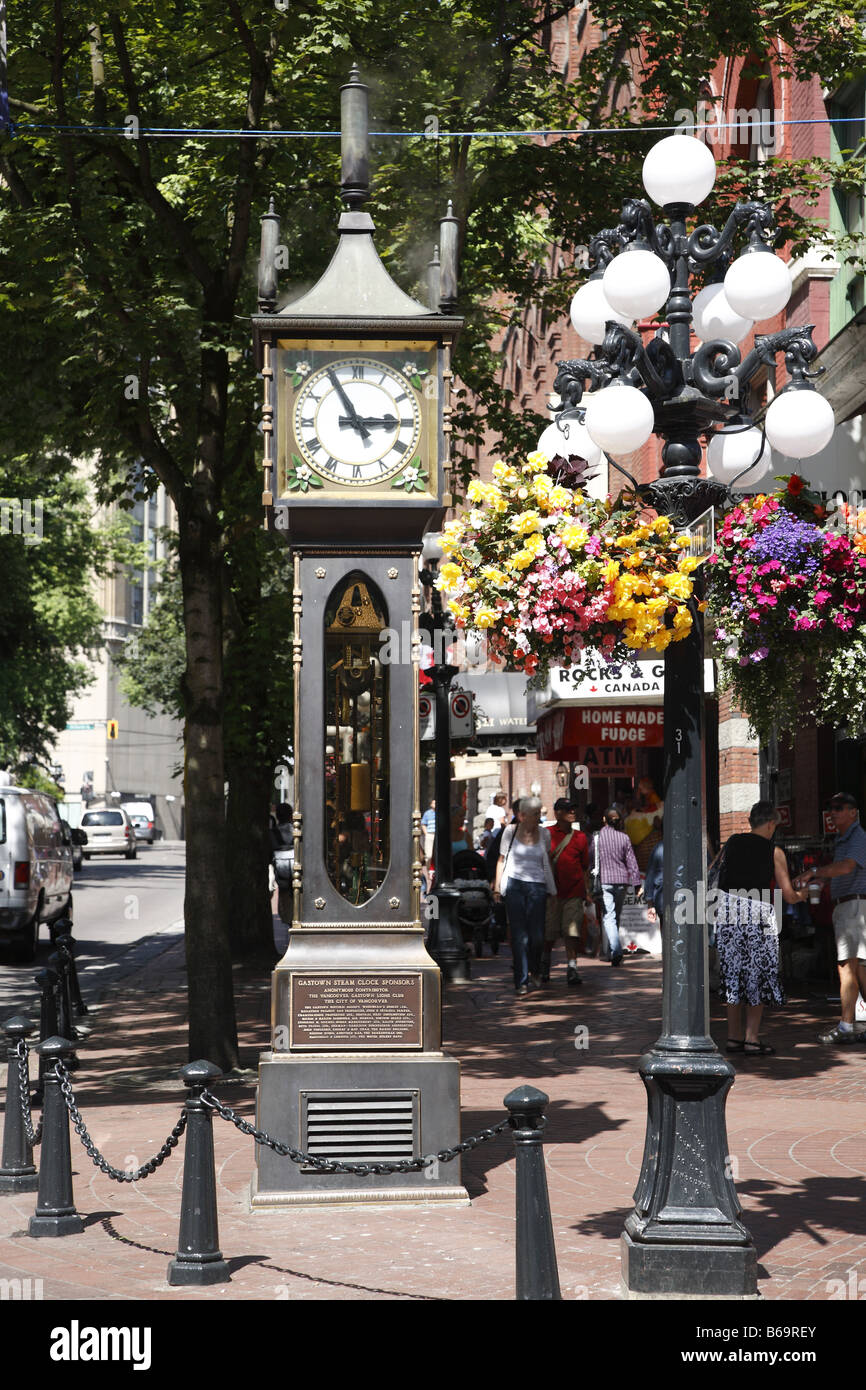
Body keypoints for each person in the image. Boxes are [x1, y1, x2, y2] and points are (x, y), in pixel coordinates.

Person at [715, 800, 805, 1055]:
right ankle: (752, 1038)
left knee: (733, 974)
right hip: (757, 913)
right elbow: (788, 895)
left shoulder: (732, 843)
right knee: (756, 974)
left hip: (729, 910)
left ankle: (733, 1037)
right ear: (770, 824)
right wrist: (803, 895)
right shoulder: (774, 852)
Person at [794, 792, 866, 1046]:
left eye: (839, 808)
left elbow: (847, 867)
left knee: (846, 966)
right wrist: (819, 881)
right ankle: (849, 1025)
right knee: (858, 969)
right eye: (830, 808)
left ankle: (846, 1026)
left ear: (853, 812)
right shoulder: (842, 839)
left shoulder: (857, 837)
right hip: (847, 907)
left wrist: (815, 870)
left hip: (854, 907)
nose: (833, 812)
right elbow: (841, 871)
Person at [494, 796, 556, 997]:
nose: (539, 817)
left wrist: (551, 888)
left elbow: (547, 861)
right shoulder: (510, 832)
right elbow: (501, 860)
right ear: (522, 816)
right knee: (520, 936)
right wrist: (496, 888)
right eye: (535, 814)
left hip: (537, 886)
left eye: (539, 813)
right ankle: (521, 980)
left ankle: (535, 969)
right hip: (515, 885)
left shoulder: (544, 834)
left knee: (537, 936)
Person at [542, 799, 590, 987]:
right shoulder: (546, 834)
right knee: (549, 933)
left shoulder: (580, 837)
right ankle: (545, 964)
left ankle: (572, 968)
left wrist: (587, 891)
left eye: (573, 809)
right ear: (557, 813)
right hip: (551, 894)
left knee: (572, 932)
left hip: (574, 892)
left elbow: (585, 866)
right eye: (568, 809)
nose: (572, 812)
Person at [597, 806, 642, 966]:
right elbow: (632, 863)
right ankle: (612, 952)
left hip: (605, 881)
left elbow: (590, 858)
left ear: (604, 820)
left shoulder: (598, 837)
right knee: (615, 916)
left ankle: (615, 951)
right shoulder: (624, 838)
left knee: (609, 917)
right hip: (622, 881)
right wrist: (637, 884)